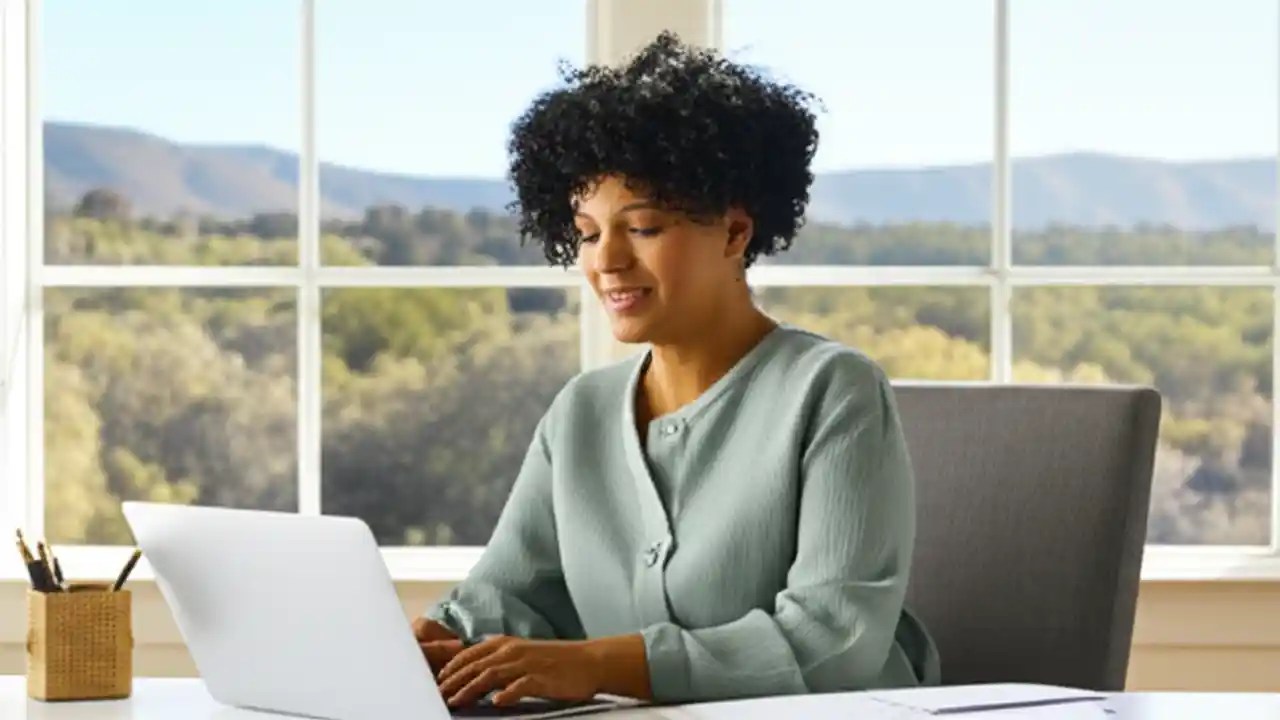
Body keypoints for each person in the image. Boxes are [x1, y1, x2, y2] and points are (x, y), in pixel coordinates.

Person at [412, 31, 940, 708]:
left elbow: (833, 639)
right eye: (587, 233)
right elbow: (511, 596)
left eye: (643, 228)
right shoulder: (580, 412)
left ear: (735, 232)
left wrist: (597, 664)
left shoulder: (832, 390)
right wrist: (438, 640)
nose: (606, 261)